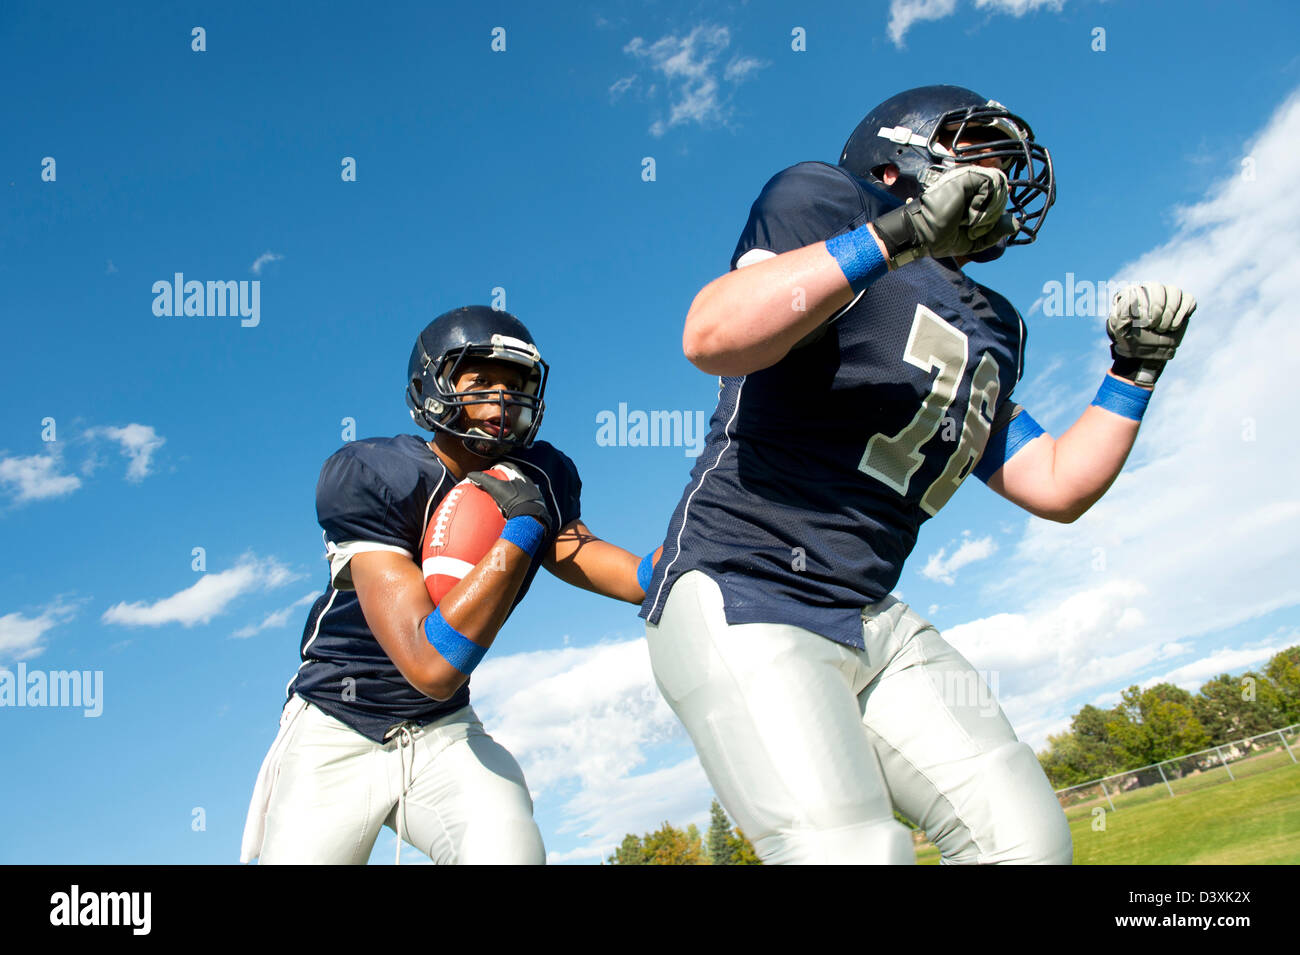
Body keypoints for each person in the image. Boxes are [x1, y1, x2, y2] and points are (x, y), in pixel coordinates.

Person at [637, 85, 1195, 864]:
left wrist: (1133, 374)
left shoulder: (997, 323)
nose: (1002, 178)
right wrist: (893, 237)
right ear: (896, 161)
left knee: (1026, 842)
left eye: (1010, 164)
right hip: (747, 586)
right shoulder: (828, 197)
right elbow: (713, 333)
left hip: (874, 616)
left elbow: (1057, 482)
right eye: (982, 153)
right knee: (858, 852)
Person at [241, 305, 645, 865]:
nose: (503, 399)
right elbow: (431, 664)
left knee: (510, 853)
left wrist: (668, 575)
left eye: (516, 384)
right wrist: (522, 524)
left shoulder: (540, 472)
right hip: (337, 723)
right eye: (481, 381)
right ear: (432, 387)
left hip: (441, 728)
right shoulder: (376, 473)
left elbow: (576, 548)